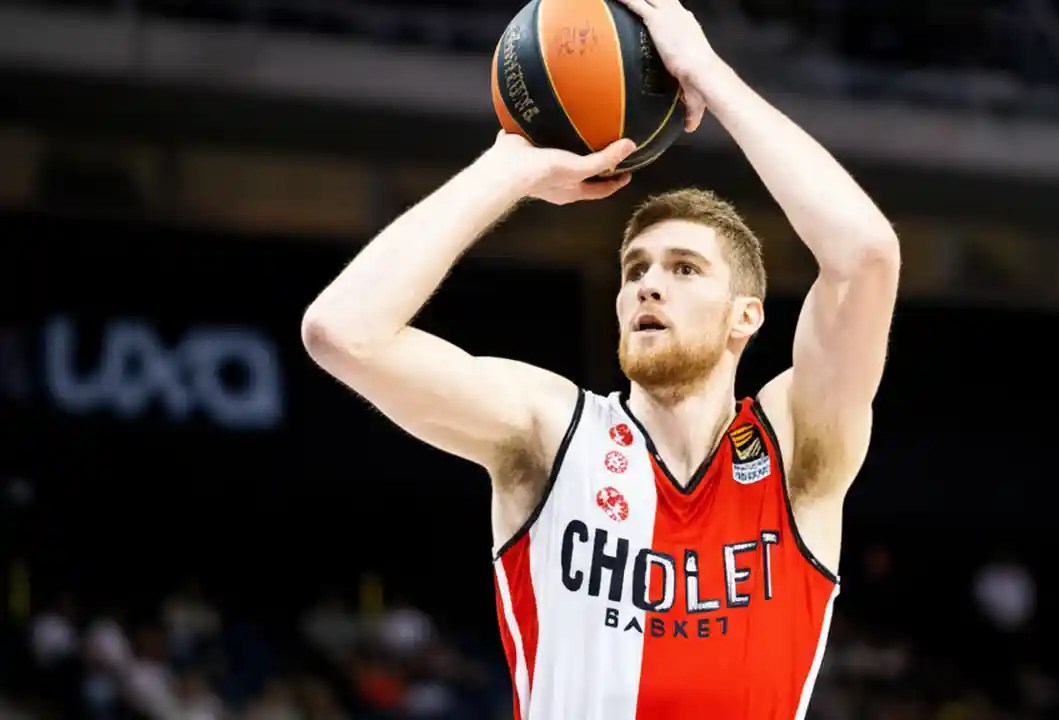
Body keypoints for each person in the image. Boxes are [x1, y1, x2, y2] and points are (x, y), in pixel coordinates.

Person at [301, 0, 900, 717]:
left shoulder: (796, 447)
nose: (648, 282)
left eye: (684, 269)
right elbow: (342, 331)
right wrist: (507, 171)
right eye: (636, 269)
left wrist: (709, 73)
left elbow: (865, 256)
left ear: (746, 316)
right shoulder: (553, 435)